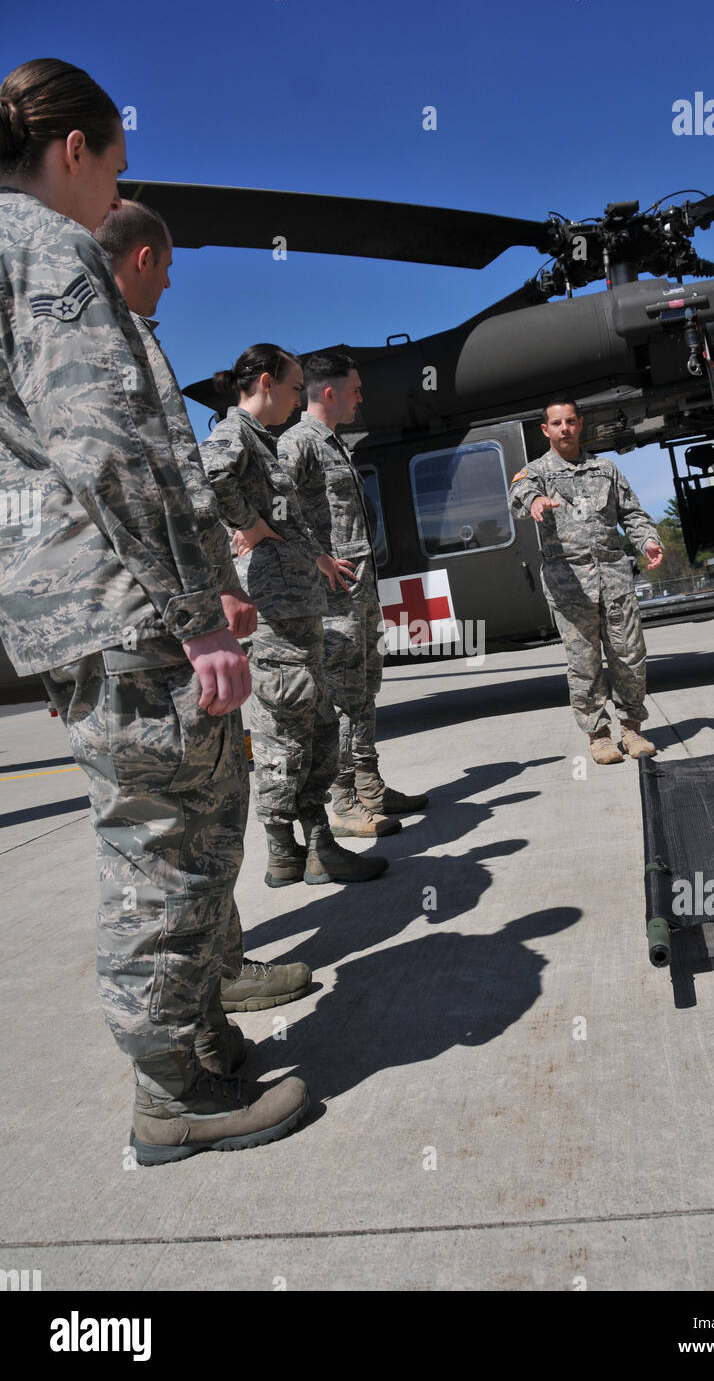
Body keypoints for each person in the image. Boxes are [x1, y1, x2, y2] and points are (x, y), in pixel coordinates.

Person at [0, 57, 307, 1165]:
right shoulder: (45, 248)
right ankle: (173, 1093)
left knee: (172, 835)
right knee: (162, 855)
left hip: (73, 605)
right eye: (113, 167)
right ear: (73, 150)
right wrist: (196, 614)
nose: (113, 193)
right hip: (122, 608)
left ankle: (202, 1044)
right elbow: (102, 449)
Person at [94, 198, 315, 1014]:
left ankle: (216, 981)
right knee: (177, 837)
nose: (172, 283)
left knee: (197, 828)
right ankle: (178, 1055)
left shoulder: (104, 335)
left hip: (142, 619)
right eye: (170, 266)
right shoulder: (98, 335)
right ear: (145, 258)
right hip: (146, 626)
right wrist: (206, 608)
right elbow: (144, 486)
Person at [201, 346, 389, 882]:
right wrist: (249, 524)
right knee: (283, 730)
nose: (295, 400)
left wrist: (317, 556)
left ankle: (319, 844)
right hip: (277, 614)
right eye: (291, 387)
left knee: (318, 725)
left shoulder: (264, 443)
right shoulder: (234, 436)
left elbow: (286, 516)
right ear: (266, 382)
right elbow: (209, 480)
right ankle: (285, 848)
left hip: (304, 607)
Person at [277, 351, 428, 830]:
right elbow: (274, 510)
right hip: (331, 599)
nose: (361, 397)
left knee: (364, 691)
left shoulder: (335, 445)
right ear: (329, 393)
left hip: (358, 593)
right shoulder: (299, 443)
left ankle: (368, 784)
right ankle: (341, 801)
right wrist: (315, 558)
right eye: (355, 389)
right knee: (341, 697)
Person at [508, 397, 663, 764]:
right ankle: (599, 735)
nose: (564, 429)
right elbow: (518, 495)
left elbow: (633, 513)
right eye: (556, 424)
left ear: (580, 424)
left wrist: (648, 541)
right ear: (546, 430)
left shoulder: (606, 469)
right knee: (585, 663)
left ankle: (632, 728)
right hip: (569, 585)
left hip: (614, 578)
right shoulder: (536, 473)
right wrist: (535, 502)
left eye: (570, 422)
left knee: (629, 655)